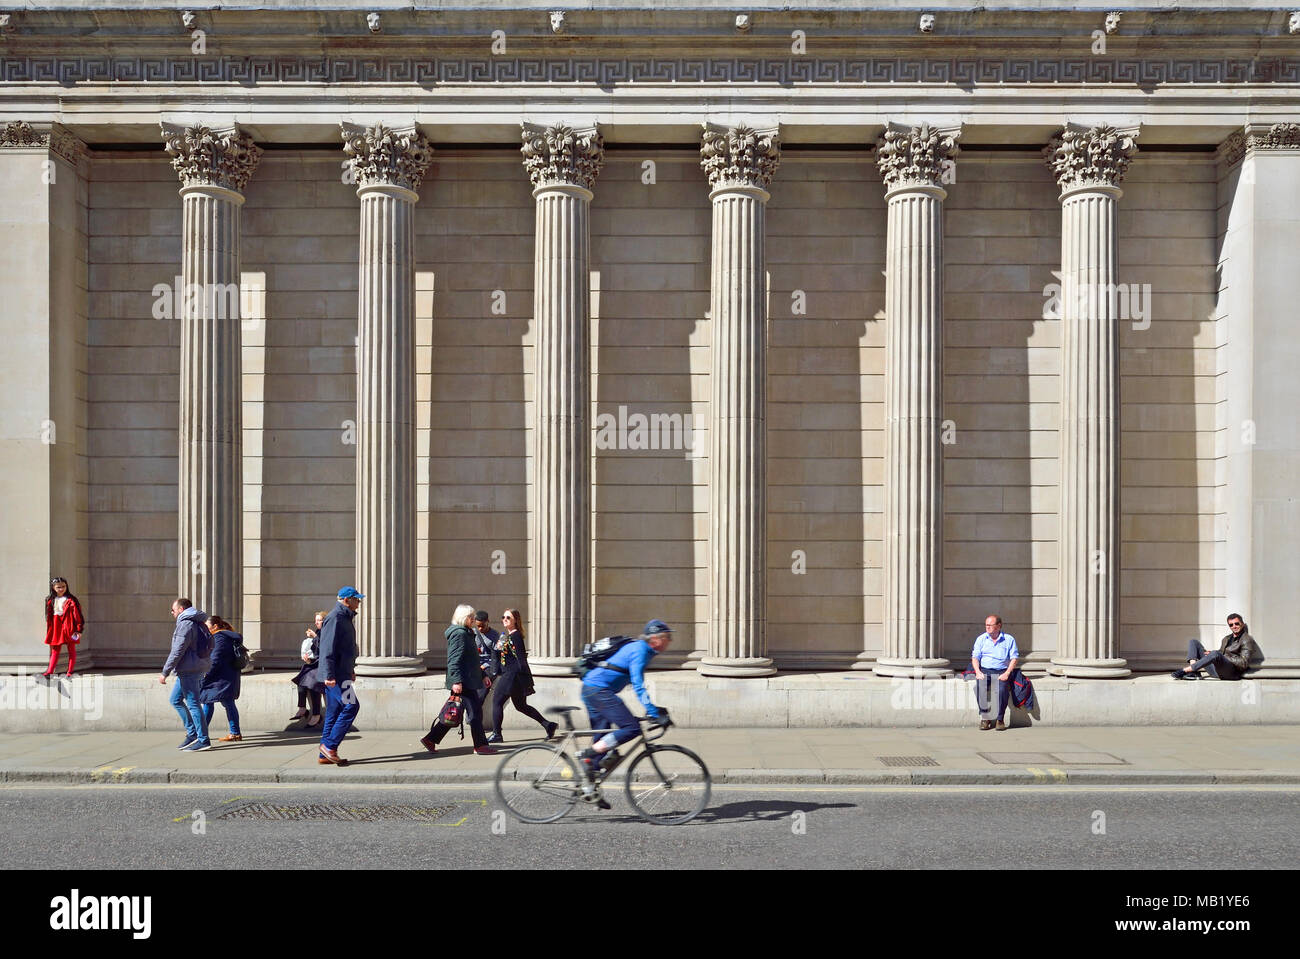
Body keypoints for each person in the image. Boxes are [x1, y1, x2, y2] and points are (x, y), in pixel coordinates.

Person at [577, 619, 672, 788]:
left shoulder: (641, 649)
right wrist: (654, 713)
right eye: (667, 637)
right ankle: (587, 754)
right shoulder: (640, 651)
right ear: (656, 639)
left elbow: (637, 683)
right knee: (631, 728)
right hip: (598, 690)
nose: (669, 641)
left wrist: (654, 709)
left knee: (601, 744)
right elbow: (638, 685)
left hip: (592, 689)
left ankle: (589, 789)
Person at [419, 604, 497, 756]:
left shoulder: (466, 633)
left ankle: (431, 739)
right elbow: (454, 660)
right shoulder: (459, 634)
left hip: (468, 680)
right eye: (471, 617)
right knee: (473, 714)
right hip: (463, 682)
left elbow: (472, 660)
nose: (474, 620)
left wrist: (483, 676)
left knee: (454, 713)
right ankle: (480, 745)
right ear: (465, 618)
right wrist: (456, 681)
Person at [486, 609, 557, 744]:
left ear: (515, 621)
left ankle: (497, 734)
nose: (505, 619)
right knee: (521, 706)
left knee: (497, 702)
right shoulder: (506, 637)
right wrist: (497, 648)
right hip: (512, 676)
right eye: (503, 617)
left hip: (512, 676)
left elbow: (521, 660)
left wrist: (525, 680)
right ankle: (548, 725)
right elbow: (497, 654)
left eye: (508, 617)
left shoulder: (516, 636)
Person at [159, 598, 213, 752]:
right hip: (193, 667)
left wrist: (165, 672)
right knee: (175, 700)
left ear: (181, 609)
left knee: (193, 703)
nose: (172, 612)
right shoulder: (198, 622)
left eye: (173, 609)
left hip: (189, 669)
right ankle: (193, 733)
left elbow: (178, 650)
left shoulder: (186, 624)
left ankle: (203, 740)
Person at [318, 587, 364, 766]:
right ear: (346, 600)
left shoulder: (344, 617)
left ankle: (324, 754)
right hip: (335, 675)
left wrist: (350, 669)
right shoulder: (336, 617)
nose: (359, 602)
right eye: (356, 599)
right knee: (352, 706)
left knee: (333, 712)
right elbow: (327, 649)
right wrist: (329, 675)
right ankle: (329, 746)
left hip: (342, 673)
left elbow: (344, 649)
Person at [1172, 614, 1259, 680]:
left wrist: (1220, 656)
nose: (1234, 626)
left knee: (1215, 654)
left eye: (1236, 623)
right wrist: (1211, 654)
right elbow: (1221, 653)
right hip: (1217, 671)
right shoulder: (1227, 638)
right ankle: (1194, 672)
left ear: (1242, 624)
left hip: (1231, 673)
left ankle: (1186, 670)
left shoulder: (1247, 639)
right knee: (1194, 642)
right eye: (1231, 625)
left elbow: (1243, 663)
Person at [970, 614, 1019, 731]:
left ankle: (1000, 719)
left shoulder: (1009, 639)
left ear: (998, 626)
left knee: (1002, 690)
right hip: (985, 670)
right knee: (979, 687)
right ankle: (985, 718)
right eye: (986, 625)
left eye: (990, 625)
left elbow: (1014, 658)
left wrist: (1007, 673)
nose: (987, 627)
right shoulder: (981, 639)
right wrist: (977, 671)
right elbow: (975, 657)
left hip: (1002, 671)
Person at [199, 615, 243, 742]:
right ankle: (234, 733)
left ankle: (201, 732)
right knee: (223, 703)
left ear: (215, 626)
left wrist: (206, 675)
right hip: (225, 676)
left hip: (220, 677)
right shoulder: (226, 636)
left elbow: (215, 659)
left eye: (206, 626)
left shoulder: (220, 638)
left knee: (210, 701)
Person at [43, 577, 84, 679]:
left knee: (71, 648)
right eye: (58, 587)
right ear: (53, 587)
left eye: (63, 586)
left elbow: (78, 614)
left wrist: (79, 629)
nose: (61, 589)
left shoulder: (71, 599)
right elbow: (48, 615)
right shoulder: (50, 600)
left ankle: (69, 671)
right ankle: (50, 671)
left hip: (69, 625)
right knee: (55, 649)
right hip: (56, 626)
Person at [290, 610, 326, 725]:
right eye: (316, 620)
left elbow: (325, 648)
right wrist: (308, 659)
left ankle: (316, 714)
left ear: (325, 621)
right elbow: (316, 651)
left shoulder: (326, 632)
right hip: (316, 662)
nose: (316, 623)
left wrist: (315, 636)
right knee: (302, 679)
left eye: (319, 620)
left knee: (312, 683)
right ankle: (302, 708)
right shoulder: (318, 632)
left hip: (325, 664)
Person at [472, 610, 499, 730]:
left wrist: (485, 666)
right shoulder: (472, 633)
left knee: (482, 692)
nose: (480, 628)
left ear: (488, 622)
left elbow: (496, 656)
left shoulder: (495, 635)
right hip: (474, 666)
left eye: (482, 625)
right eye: (478, 626)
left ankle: (475, 720)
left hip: (488, 667)